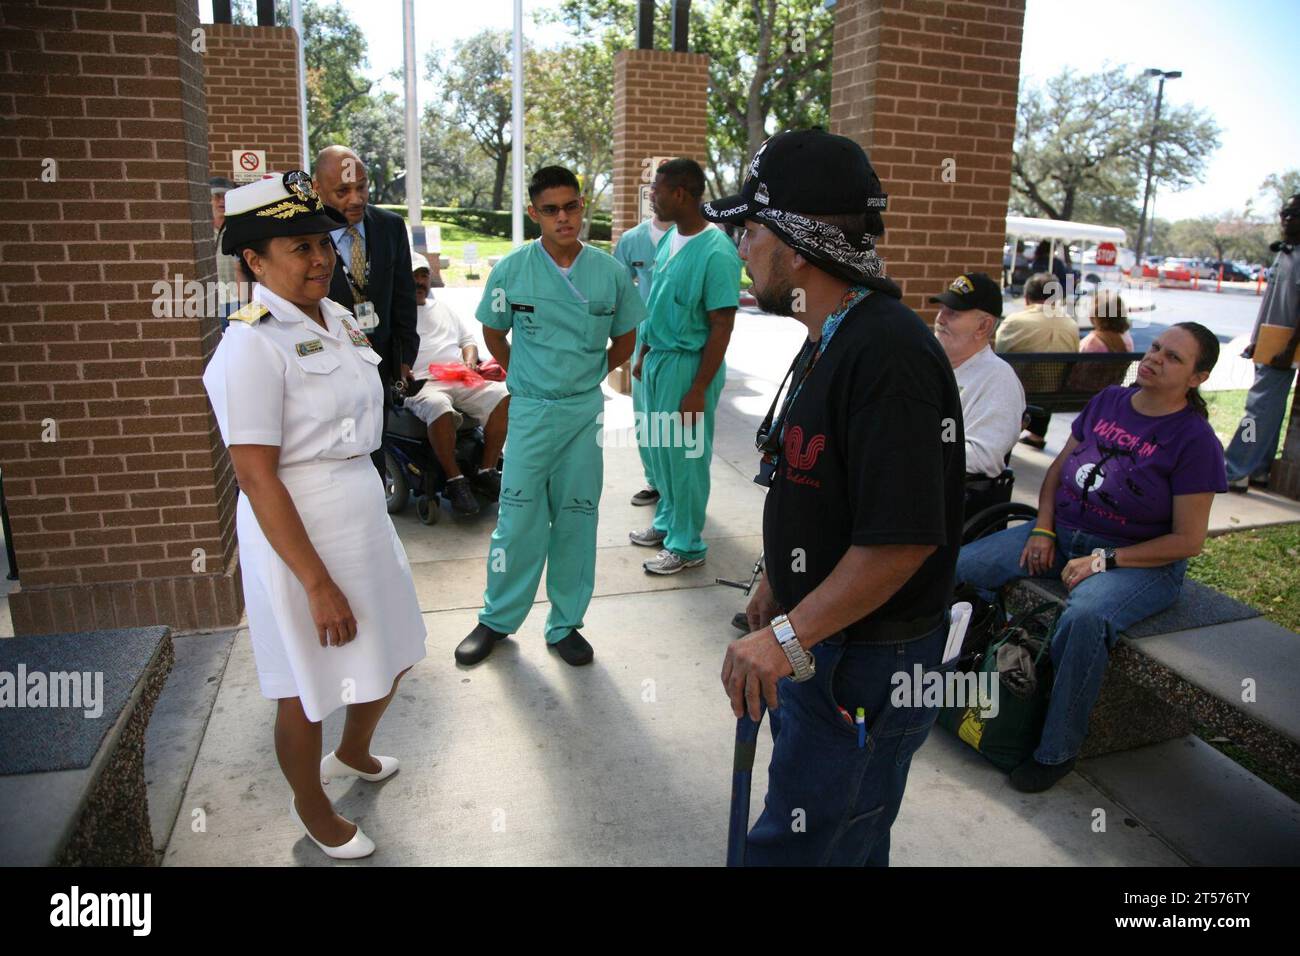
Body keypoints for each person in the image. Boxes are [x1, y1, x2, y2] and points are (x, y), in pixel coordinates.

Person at [708, 129, 965, 866]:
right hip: (825, 645)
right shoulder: (831, 331)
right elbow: (822, 487)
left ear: (793, 245)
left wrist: (786, 639)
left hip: (865, 662)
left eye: (748, 230)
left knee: (804, 848)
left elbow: (902, 540)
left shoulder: (888, 354)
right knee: (837, 841)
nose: (740, 249)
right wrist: (773, 579)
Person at [201, 171, 427, 859]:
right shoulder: (250, 342)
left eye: (322, 243)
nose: (320, 258)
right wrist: (316, 582)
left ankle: (353, 752)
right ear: (255, 261)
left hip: (359, 509)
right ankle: (310, 804)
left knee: (391, 652)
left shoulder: (338, 317)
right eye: (298, 247)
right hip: (296, 526)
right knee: (304, 686)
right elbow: (254, 475)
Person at [956, 322, 1226, 792]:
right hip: (1061, 534)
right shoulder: (1109, 402)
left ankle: (1056, 750)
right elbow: (1061, 469)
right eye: (1157, 347)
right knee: (961, 566)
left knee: (1084, 619)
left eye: (1174, 358)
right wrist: (1042, 527)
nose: (1156, 358)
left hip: (1140, 562)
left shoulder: (1195, 441)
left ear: (1197, 379)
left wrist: (1105, 561)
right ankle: (958, 684)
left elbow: (1187, 540)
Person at [455, 166, 644, 668]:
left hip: (584, 412)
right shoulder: (513, 271)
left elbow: (625, 339)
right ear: (534, 213)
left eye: (572, 206)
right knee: (516, 520)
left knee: (577, 519)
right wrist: (524, 373)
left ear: (583, 206)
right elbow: (493, 331)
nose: (564, 217)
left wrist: (588, 375)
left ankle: (565, 624)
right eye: (551, 209)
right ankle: (496, 618)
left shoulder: (609, 273)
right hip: (532, 412)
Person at [629, 158, 742, 575]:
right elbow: (656, 302)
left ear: (680, 193)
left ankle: (688, 545)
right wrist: (642, 354)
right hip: (657, 362)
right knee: (661, 453)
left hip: (688, 368)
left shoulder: (716, 252)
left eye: (656, 190)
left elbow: (722, 324)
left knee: (687, 460)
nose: (652, 197)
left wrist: (697, 389)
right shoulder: (670, 238)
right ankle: (667, 524)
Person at [313, 145, 420, 478]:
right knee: (341, 459)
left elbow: (404, 297)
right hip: (329, 369)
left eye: (361, 187)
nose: (356, 199)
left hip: (381, 365)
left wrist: (404, 359)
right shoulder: (305, 233)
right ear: (317, 190)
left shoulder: (389, 226)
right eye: (342, 191)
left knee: (375, 450)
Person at [403, 253, 510, 517]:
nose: (419, 281)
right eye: (413, 275)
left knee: (503, 395)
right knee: (439, 405)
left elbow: (468, 341)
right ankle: (455, 480)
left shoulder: (443, 308)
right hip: (422, 383)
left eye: (423, 275)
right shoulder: (396, 311)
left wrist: (470, 363)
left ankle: (486, 470)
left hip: (457, 376)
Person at [1223, 193, 1300, 493]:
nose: (1288, 219)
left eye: (1296, 214)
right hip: (1267, 346)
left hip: (1282, 350)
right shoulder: (1285, 252)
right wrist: (1256, 341)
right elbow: (1272, 303)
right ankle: (1258, 469)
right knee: (1268, 411)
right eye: (1286, 213)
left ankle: (1234, 469)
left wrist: (1288, 348)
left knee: (1256, 412)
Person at [930, 271, 1025, 483]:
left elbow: (983, 456)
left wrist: (912, 454)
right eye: (942, 309)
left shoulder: (998, 380)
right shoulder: (928, 365)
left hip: (937, 493)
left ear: (984, 327)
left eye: (952, 312)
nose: (940, 319)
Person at [612, 214, 670, 508]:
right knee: (645, 414)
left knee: (678, 423)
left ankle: (675, 487)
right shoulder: (632, 240)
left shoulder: (696, 241)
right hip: (644, 340)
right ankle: (655, 482)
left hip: (680, 342)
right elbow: (619, 289)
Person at [997, 271, 1080, 448]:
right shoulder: (1071, 325)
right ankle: (1037, 435)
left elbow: (997, 355)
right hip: (1053, 392)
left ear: (1027, 298)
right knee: (1049, 374)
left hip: (1018, 391)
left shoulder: (1014, 321)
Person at [210, 177, 241, 326]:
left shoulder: (239, 231)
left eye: (225, 197)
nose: (221, 201)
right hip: (212, 303)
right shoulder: (200, 233)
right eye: (217, 197)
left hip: (239, 301)